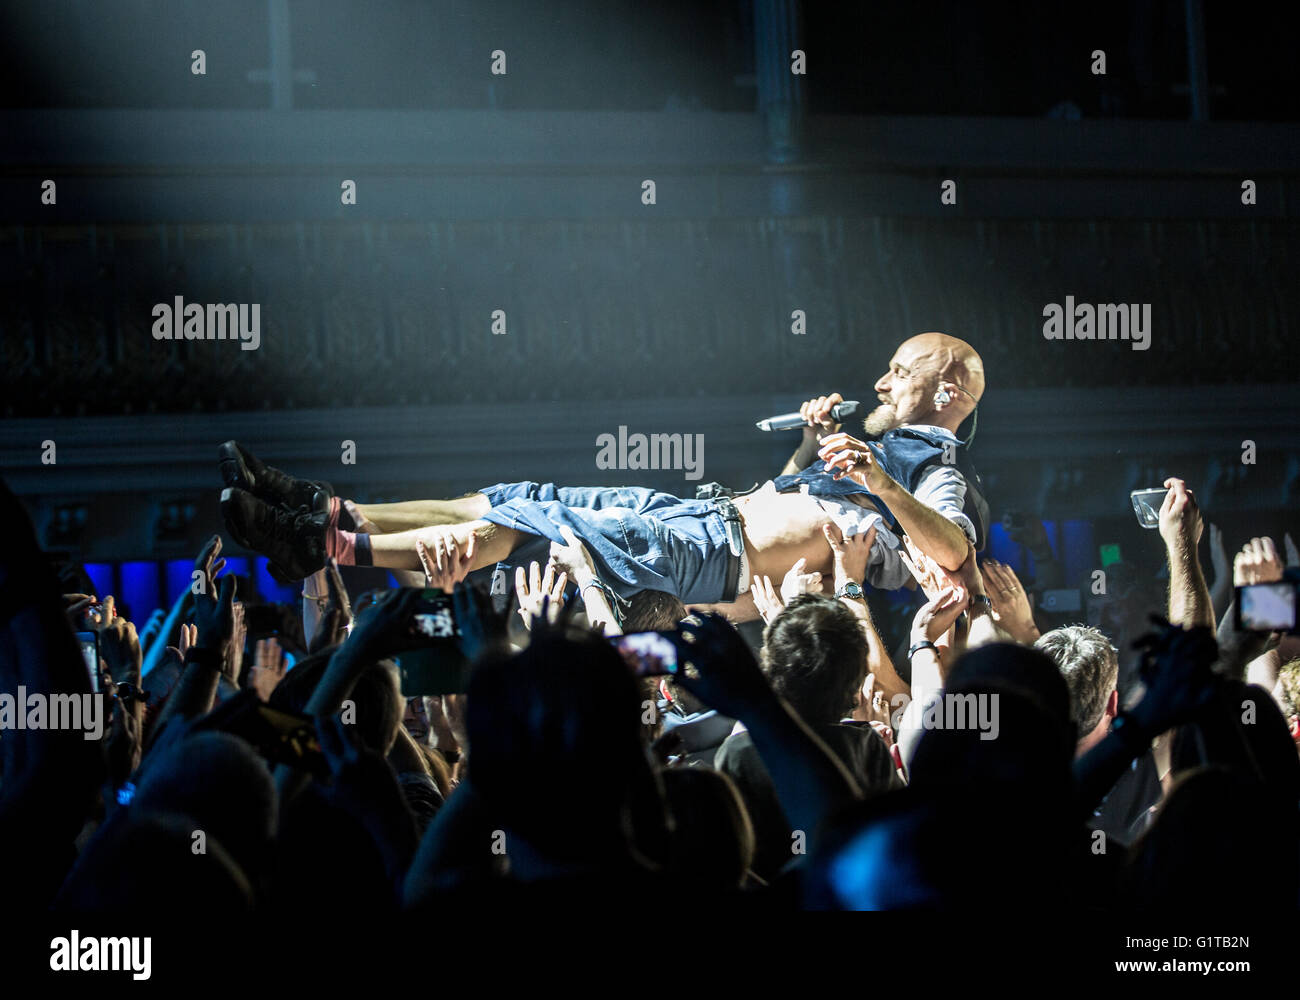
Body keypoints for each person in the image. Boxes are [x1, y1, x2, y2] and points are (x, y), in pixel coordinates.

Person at [220, 333, 990, 620]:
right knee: (520, 497)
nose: (882, 384)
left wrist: (884, 486)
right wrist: (814, 443)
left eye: (899, 372)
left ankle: (324, 551)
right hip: (702, 514)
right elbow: (786, 491)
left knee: (540, 528)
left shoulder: (933, 467)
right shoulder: (876, 452)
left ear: (947, 391)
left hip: (712, 559)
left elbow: (955, 548)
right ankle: (326, 508)